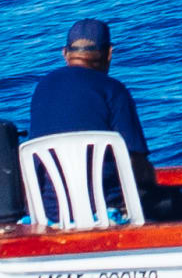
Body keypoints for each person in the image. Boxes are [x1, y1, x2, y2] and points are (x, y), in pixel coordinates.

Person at [26, 17, 161, 210]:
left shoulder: (41, 89)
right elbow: (137, 163)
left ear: (65, 53)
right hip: (109, 210)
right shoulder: (113, 90)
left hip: (51, 213)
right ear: (109, 54)